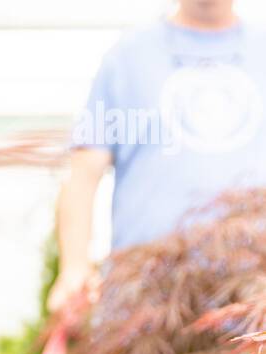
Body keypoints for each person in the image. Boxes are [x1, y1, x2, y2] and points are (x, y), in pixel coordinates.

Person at [48, 0, 266, 317]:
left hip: (253, 306)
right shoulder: (127, 57)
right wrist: (74, 266)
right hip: (144, 305)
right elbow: (83, 175)